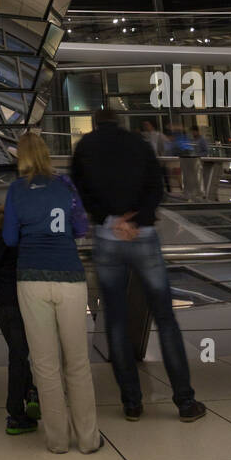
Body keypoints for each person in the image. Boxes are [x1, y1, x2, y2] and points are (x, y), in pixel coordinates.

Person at [71, 107, 206, 423]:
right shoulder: (138, 143)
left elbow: (80, 192)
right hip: (143, 235)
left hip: (107, 236)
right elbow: (157, 185)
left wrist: (110, 219)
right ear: (119, 122)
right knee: (165, 317)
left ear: (94, 123)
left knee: (115, 321)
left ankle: (132, 402)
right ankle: (185, 401)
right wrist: (137, 218)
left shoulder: (85, 148)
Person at [2, 133, 101, 453]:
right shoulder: (67, 186)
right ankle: (88, 438)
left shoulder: (17, 189)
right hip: (70, 277)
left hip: (31, 279)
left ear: (22, 157)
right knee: (78, 362)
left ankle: (57, 440)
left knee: (44, 364)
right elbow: (82, 228)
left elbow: (9, 239)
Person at [0, 205, 39, 435]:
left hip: (0, 307)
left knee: (18, 351)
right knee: (18, 355)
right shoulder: (16, 244)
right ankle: (15, 413)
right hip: (18, 304)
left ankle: (30, 393)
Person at [141, 119, 171, 192]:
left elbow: (166, 146)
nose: (145, 126)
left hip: (159, 161)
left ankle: (167, 190)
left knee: (163, 177)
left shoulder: (159, 135)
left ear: (152, 126)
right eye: (144, 125)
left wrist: (163, 157)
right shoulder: (143, 135)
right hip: (150, 161)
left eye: (147, 125)